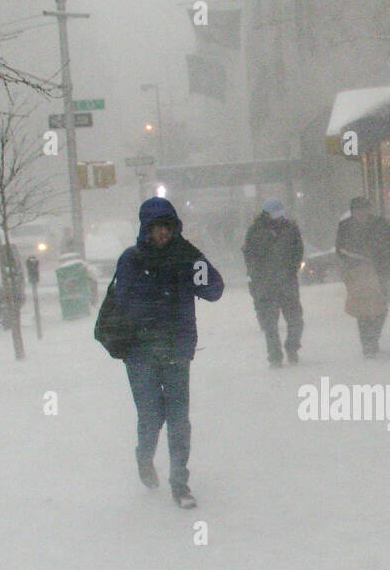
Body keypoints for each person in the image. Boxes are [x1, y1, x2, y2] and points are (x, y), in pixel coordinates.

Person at [112, 196, 224, 508]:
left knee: (178, 418)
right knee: (151, 415)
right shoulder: (131, 260)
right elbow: (125, 302)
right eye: (156, 227)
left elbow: (214, 290)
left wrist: (195, 260)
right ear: (145, 229)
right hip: (140, 352)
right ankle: (144, 458)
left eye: (168, 227)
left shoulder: (187, 257)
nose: (162, 233)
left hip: (177, 349)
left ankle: (179, 482)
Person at [335, 196, 390, 357]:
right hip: (358, 272)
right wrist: (352, 262)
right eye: (358, 210)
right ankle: (367, 343)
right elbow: (340, 250)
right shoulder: (346, 226)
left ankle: (374, 336)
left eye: (364, 209)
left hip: (380, 270)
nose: (362, 213)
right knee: (363, 308)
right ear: (353, 211)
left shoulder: (379, 224)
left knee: (380, 306)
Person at [242, 197, 304, 366]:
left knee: (295, 320)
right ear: (266, 213)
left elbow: (298, 250)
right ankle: (275, 356)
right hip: (266, 283)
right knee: (270, 324)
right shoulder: (255, 231)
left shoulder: (291, 229)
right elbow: (249, 254)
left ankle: (292, 348)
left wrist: (292, 267)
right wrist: (256, 275)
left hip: (287, 280)